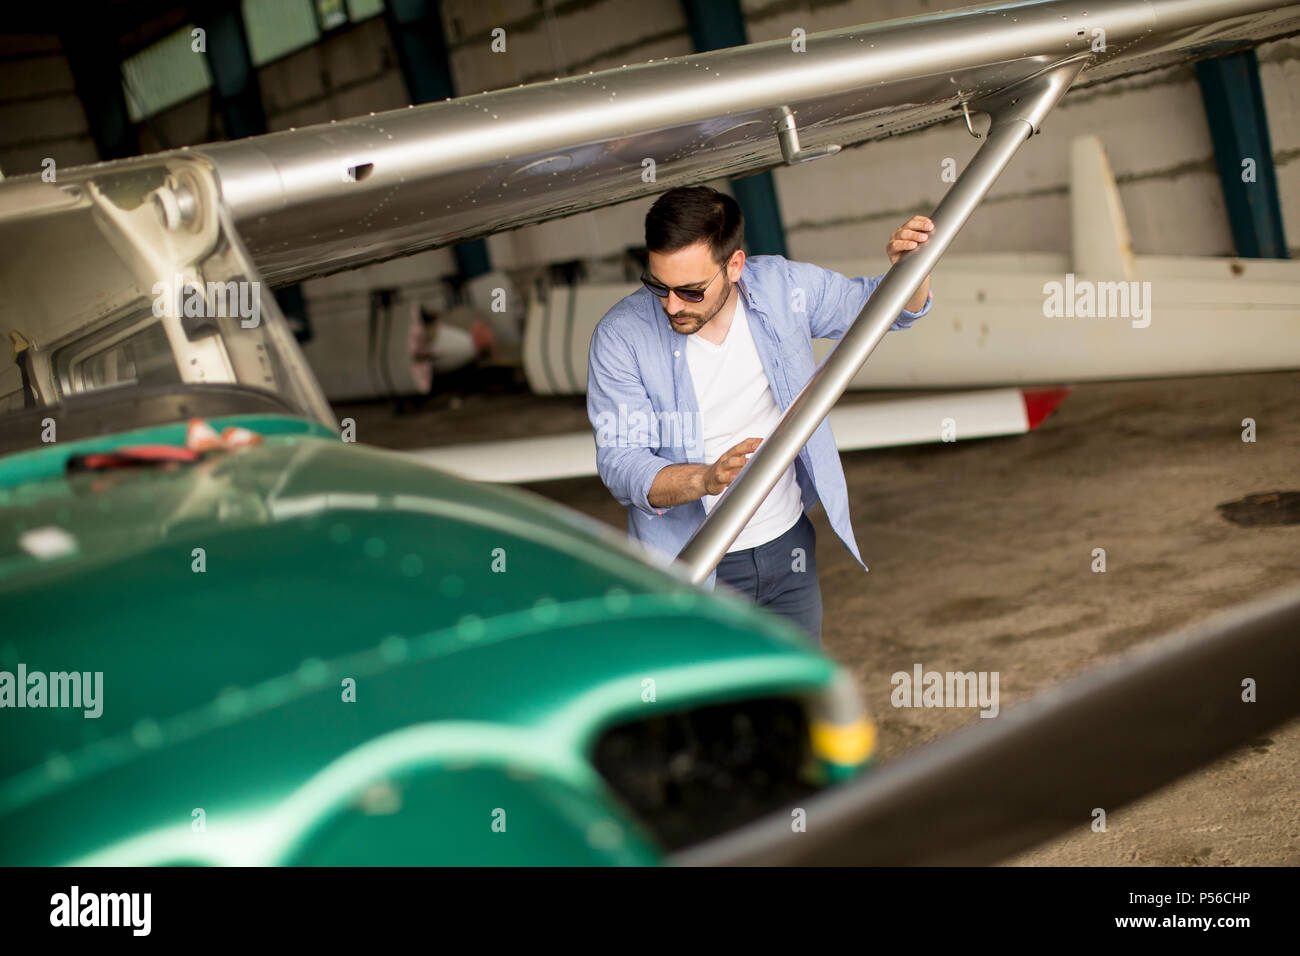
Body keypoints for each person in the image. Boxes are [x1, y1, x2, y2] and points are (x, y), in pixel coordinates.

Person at [585, 185, 933, 646]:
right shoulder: (620, 337)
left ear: (735, 265)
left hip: (788, 546)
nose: (671, 305)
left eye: (690, 291)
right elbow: (621, 463)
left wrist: (912, 267)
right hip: (692, 565)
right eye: (658, 285)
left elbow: (883, 310)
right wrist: (704, 479)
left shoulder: (783, 287)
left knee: (796, 698)